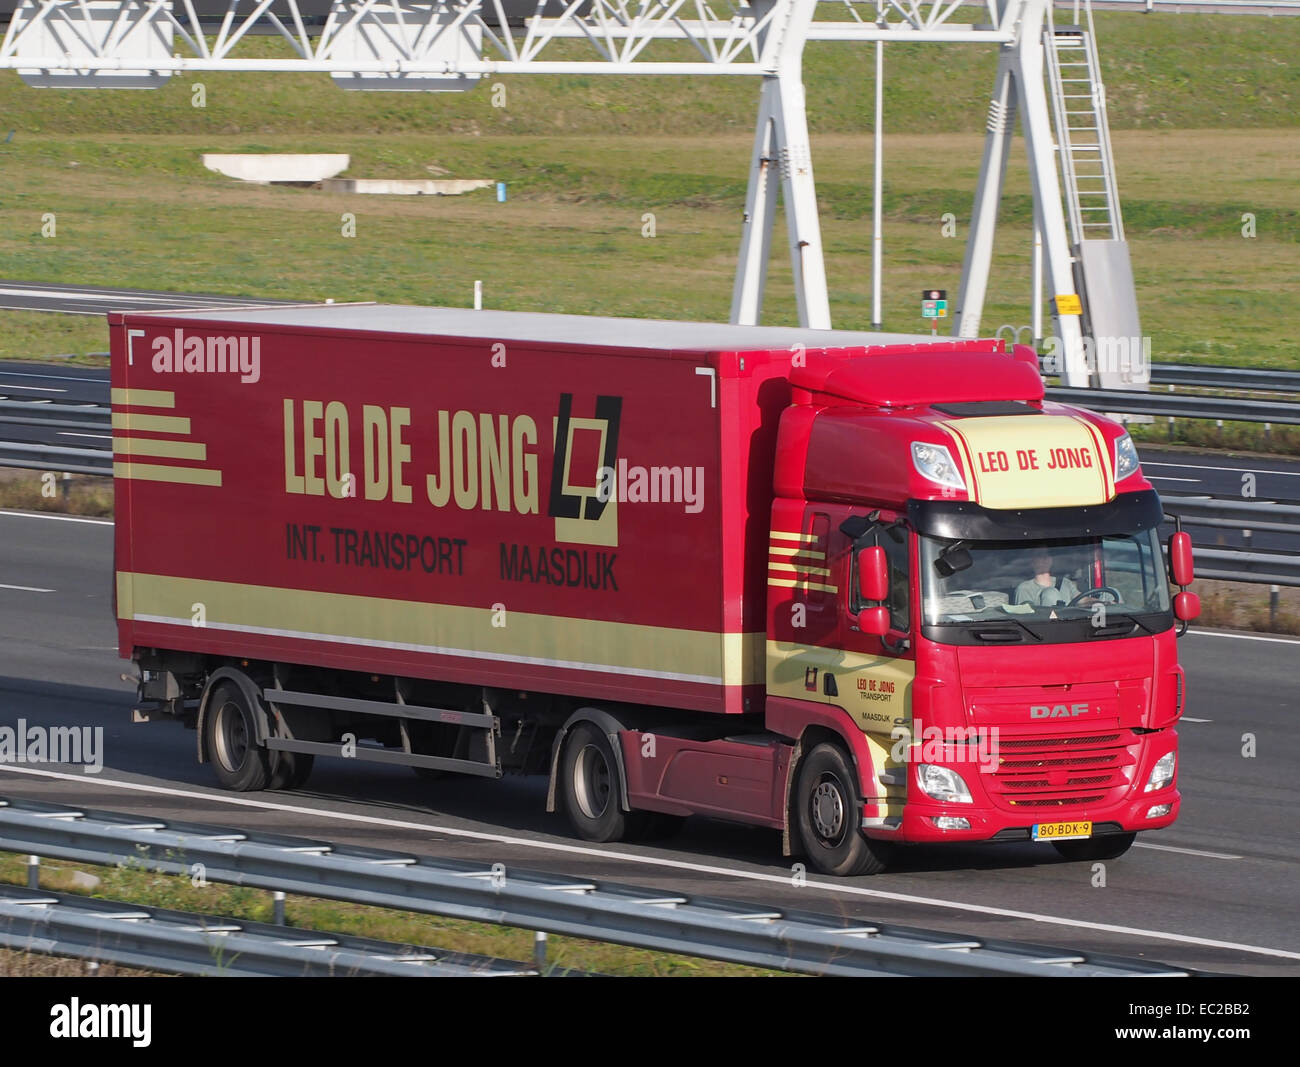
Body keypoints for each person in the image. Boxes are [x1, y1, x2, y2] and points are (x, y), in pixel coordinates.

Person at [1013, 551, 1082, 608]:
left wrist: (1092, 601)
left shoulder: (1065, 582)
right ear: (1032, 561)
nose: (1045, 558)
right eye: (1040, 555)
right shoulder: (1024, 589)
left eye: (1047, 554)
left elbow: (1082, 600)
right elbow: (1025, 618)